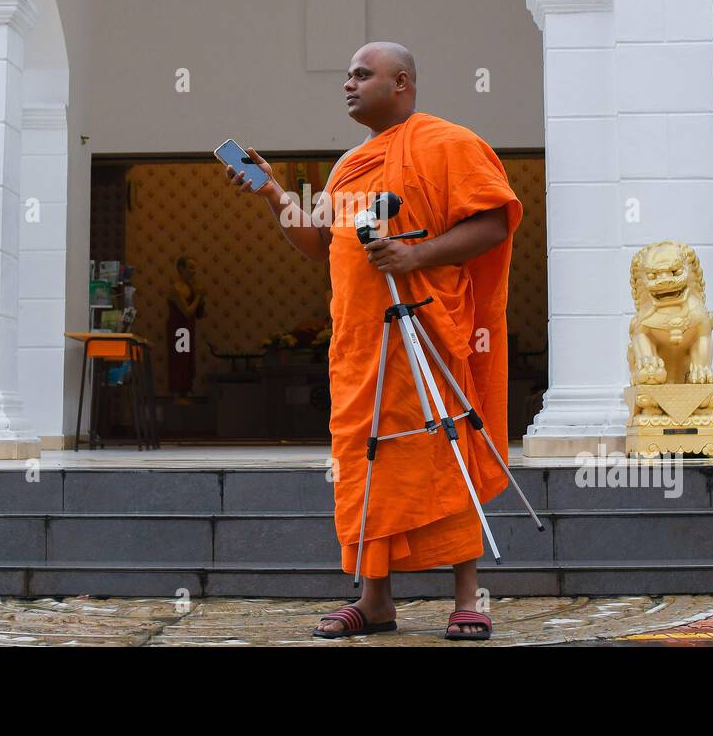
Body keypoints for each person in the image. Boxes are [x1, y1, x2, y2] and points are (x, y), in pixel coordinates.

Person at [223, 41, 522, 640]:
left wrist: (416, 254)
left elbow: (492, 220)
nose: (348, 85)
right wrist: (273, 193)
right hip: (361, 345)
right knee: (366, 461)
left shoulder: (448, 144)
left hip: (426, 331)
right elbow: (320, 245)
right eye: (347, 76)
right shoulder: (347, 165)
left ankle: (468, 598)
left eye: (362, 75)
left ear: (402, 82)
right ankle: (375, 599)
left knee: (443, 448)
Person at [166, 256, 206, 404]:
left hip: (188, 327)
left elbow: (199, 313)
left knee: (188, 358)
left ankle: (185, 390)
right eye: (191, 268)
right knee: (179, 359)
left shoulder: (190, 287)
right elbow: (187, 312)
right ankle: (178, 392)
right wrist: (199, 296)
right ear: (181, 268)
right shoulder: (176, 289)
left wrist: (200, 297)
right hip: (179, 329)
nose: (194, 272)